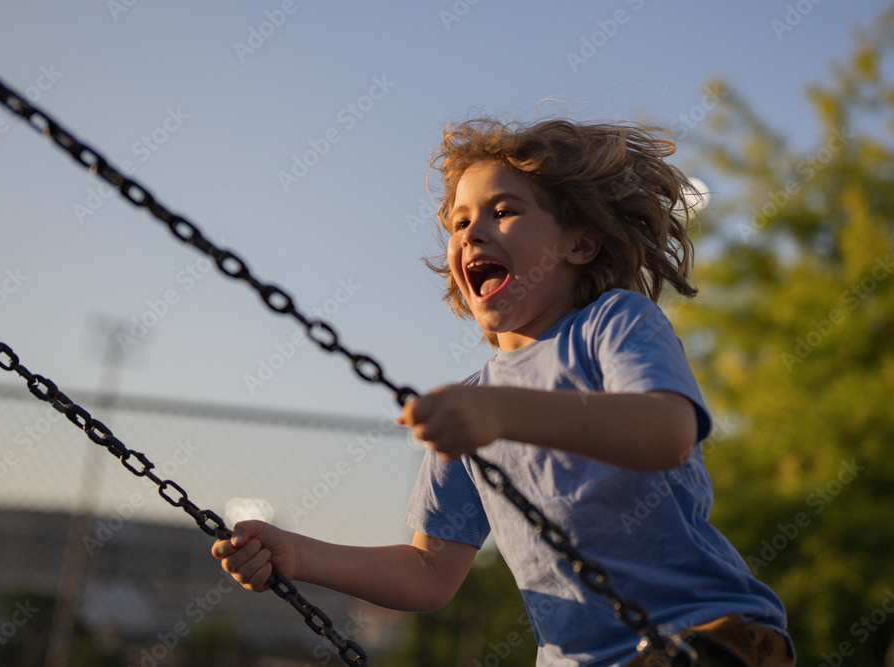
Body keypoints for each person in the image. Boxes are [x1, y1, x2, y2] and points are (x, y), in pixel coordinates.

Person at [212, 117, 794, 666]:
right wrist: (299, 556)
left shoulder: (611, 324)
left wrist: (502, 414)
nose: (473, 232)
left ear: (580, 244)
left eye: (503, 211)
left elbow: (666, 432)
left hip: (704, 634)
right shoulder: (473, 407)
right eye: (459, 222)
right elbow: (429, 573)